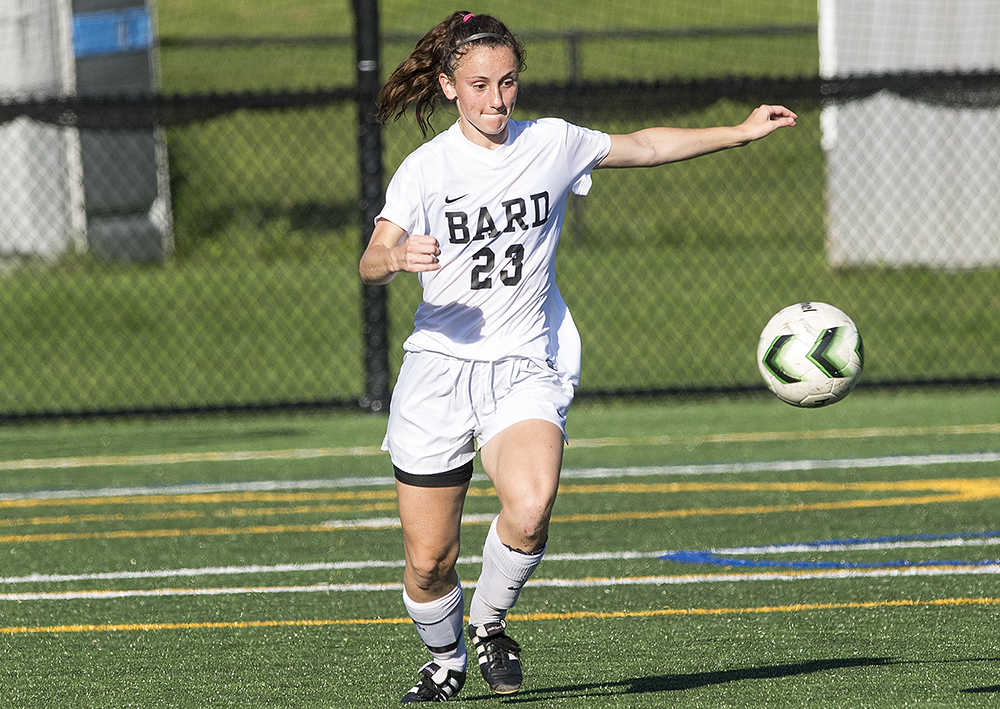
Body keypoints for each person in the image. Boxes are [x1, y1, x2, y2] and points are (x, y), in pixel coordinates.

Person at [360, 10, 797, 704]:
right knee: (426, 561)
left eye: (507, 82)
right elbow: (371, 257)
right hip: (440, 372)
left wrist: (739, 133)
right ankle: (444, 661)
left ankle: (489, 622)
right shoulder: (427, 169)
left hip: (527, 362)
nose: (496, 100)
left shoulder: (552, 142)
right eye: (478, 85)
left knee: (530, 509)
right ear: (447, 86)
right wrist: (395, 254)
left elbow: (646, 146)